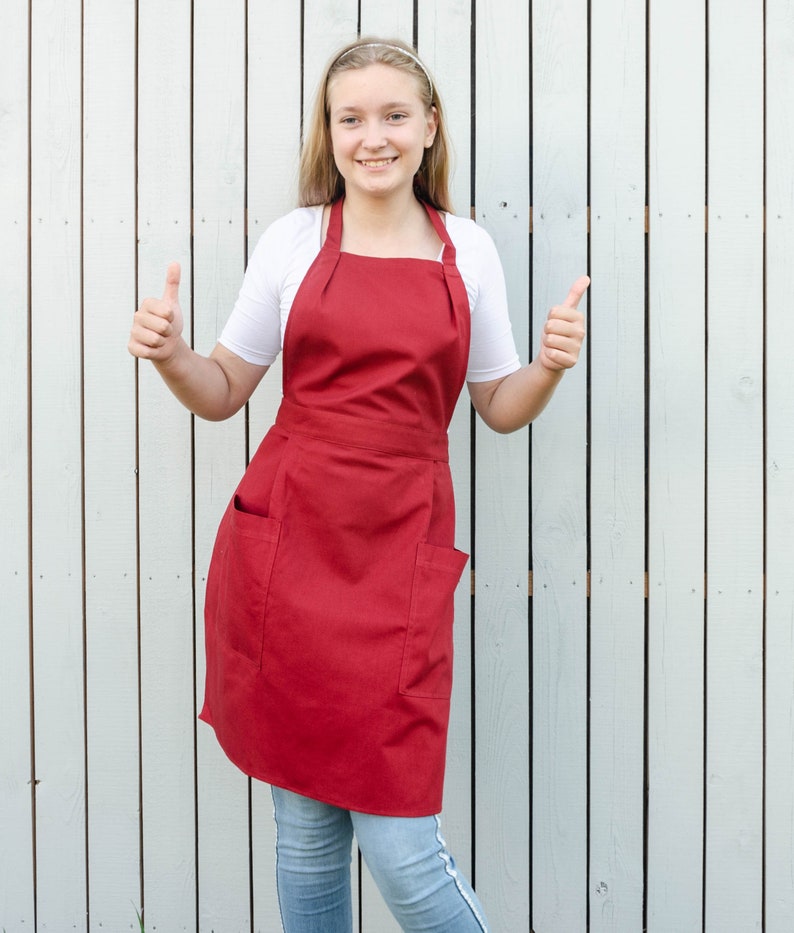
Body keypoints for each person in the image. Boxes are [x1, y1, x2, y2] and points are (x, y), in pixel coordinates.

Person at [129, 36, 586, 933]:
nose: (371, 136)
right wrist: (171, 356)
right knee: (302, 837)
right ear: (328, 134)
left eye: (392, 115)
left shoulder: (471, 249)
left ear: (428, 128)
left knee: (405, 852)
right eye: (350, 118)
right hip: (286, 558)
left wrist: (550, 367)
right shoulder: (294, 241)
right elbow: (222, 392)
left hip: (398, 562)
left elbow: (497, 405)